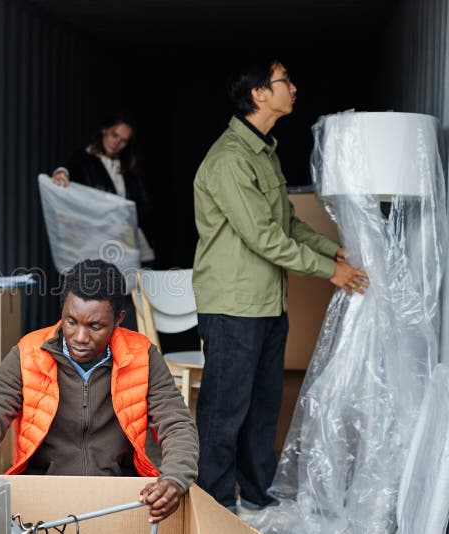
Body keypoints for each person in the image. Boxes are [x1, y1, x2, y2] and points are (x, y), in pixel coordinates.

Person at [191, 59, 369, 513]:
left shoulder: (264, 152)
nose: (293, 87)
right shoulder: (230, 159)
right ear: (259, 94)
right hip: (234, 304)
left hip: (268, 303)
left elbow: (287, 223)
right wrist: (328, 271)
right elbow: (264, 237)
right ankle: (212, 502)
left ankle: (256, 492)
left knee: (262, 407)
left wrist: (334, 252)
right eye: (284, 80)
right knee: (225, 410)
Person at [0, 259, 199, 524]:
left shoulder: (143, 355)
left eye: (95, 326)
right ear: (62, 310)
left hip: (122, 496)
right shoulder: (29, 353)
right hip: (43, 493)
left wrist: (174, 478)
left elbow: (176, 423)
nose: (79, 337)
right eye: (71, 321)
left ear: (119, 319)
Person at [51, 113, 156, 265]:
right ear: (104, 130)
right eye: (115, 135)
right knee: (98, 278)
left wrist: (127, 219)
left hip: (126, 234)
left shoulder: (128, 169)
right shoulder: (84, 159)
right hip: (96, 236)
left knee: (132, 280)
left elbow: (145, 203)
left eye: (123, 141)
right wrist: (61, 173)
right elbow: (69, 170)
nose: (117, 143)